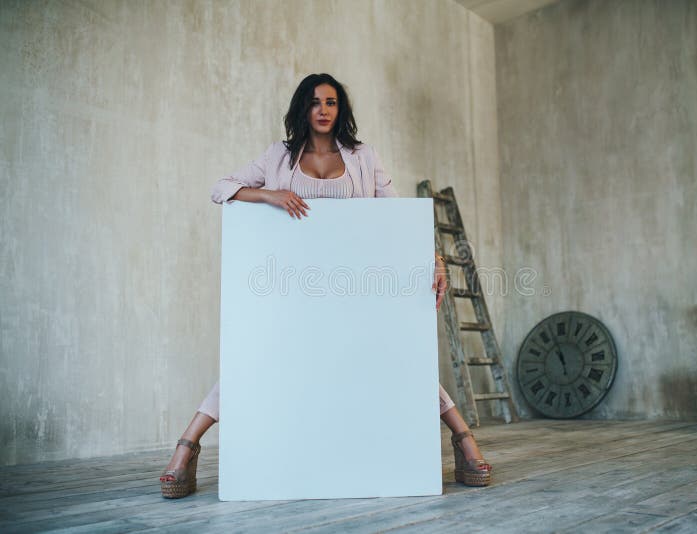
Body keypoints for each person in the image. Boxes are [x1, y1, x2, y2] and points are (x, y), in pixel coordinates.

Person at [159, 73, 492, 499]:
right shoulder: (279, 157)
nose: (323, 110)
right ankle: (188, 447)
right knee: (255, 360)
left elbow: (397, 218)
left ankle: (462, 439)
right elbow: (220, 189)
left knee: (399, 357)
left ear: (341, 109)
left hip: (355, 288)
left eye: (332, 102)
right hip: (295, 291)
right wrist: (269, 194)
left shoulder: (363, 157)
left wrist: (436, 258)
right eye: (315, 102)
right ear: (304, 108)